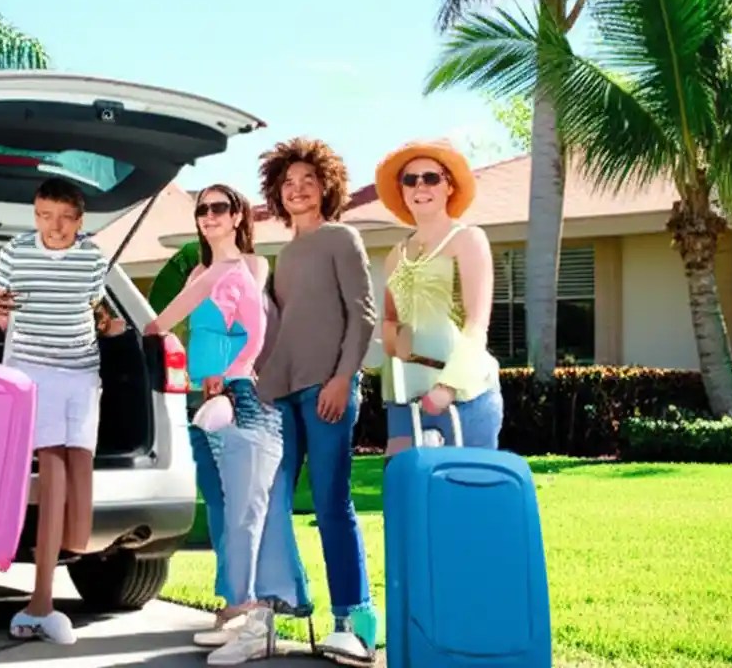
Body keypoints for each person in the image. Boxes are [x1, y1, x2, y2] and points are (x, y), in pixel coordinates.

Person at [146, 184, 302, 665]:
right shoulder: (199, 271)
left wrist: (230, 376)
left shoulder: (250, 266)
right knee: (220, 509)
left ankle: (257, 621)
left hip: (238, 397)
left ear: (238, 216)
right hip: (202, 399)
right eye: (202, 209)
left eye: (219, 208)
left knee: (245, 512)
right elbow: (161, 324)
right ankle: (236, 607)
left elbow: (252, 333)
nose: (209, 215)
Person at [0, 177, 125, 646]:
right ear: (35, 213)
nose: (54, 227)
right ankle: (41, 600)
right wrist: (5, 316)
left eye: (64, 218)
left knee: (79, 467)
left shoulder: (93, 257)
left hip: (82, 373)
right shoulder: (15, 252)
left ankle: (59, 571)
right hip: (33, 370)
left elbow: (95, 310)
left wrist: (109, 324)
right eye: (45, 215)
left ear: (79, 221)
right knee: (54, 464)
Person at [253, 137, 379, 663]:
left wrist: (341, 379)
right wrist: (259, 385)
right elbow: (280, 331)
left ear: (326, 187)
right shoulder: (282, 255)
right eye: (288, 183)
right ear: (277, 195)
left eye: (308, 180)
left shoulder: (341, 239)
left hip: (327, 390)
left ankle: (356, 621)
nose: (298, 190)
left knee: (330, 505)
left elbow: (363, 314)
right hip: (282, 396)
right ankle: (288, 601)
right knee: (272, 505)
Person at [374, 140, 503, 453]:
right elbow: (391, 320)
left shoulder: (468, 239)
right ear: (402, 190)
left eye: (431, 177)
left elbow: (476, 323)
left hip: (464, 397)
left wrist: (447, 387)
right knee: (405, 490)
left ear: (449, 187)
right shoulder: (396, 254)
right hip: (405, 398)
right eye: (410, 179)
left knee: (465, 494)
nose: (420, 186)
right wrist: (394, 341)